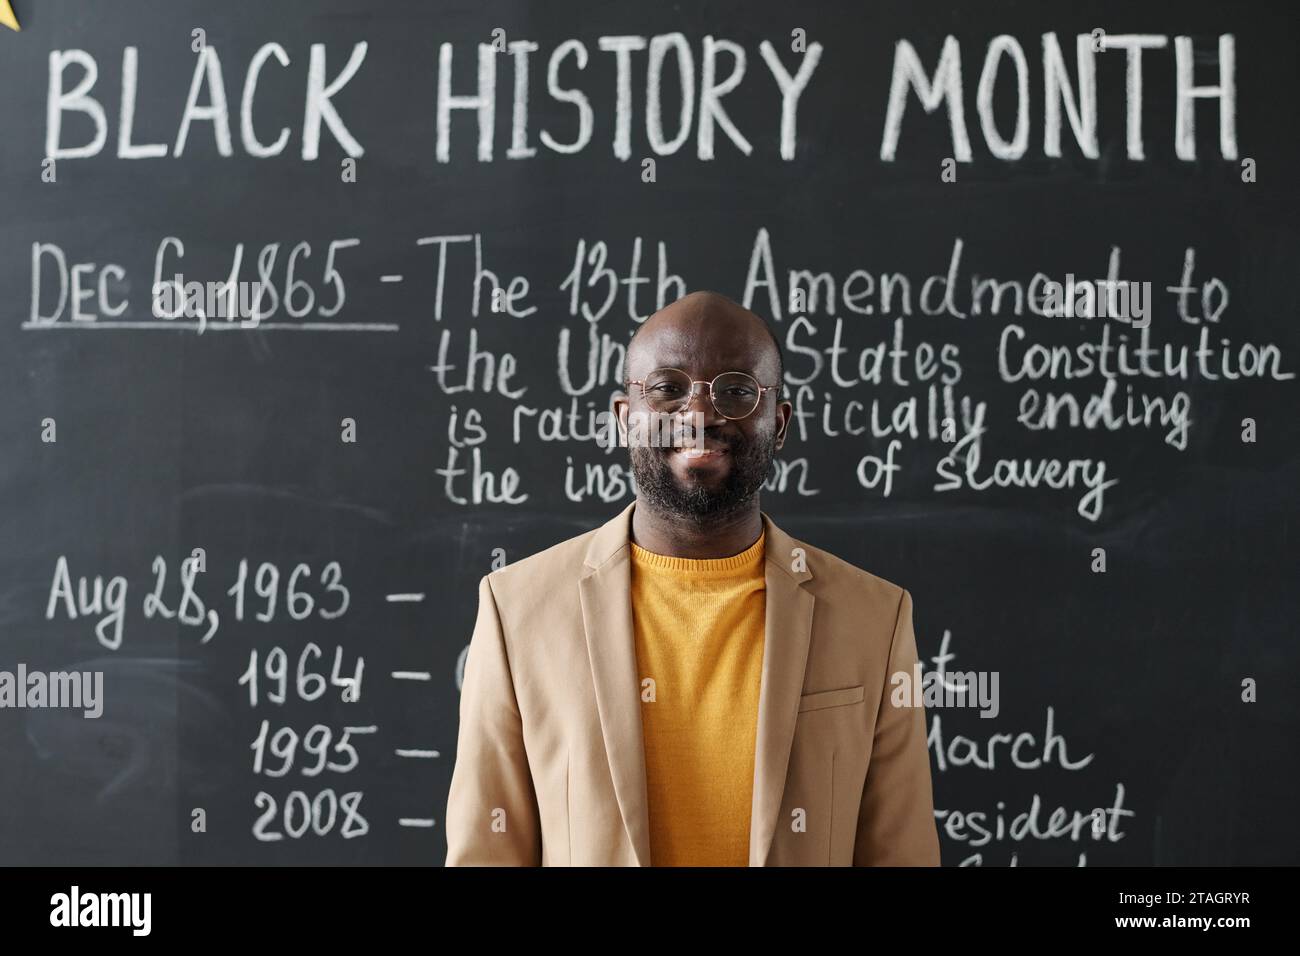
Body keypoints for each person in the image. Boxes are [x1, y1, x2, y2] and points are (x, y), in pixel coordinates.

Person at [445, 290, 940, 866]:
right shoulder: (517, 611)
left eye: (735, 390)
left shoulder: (874, 617)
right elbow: (486, 853)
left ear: (778, 423)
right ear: (626, 420)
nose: (699, 415)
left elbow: (900, 854)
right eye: (667, 388)